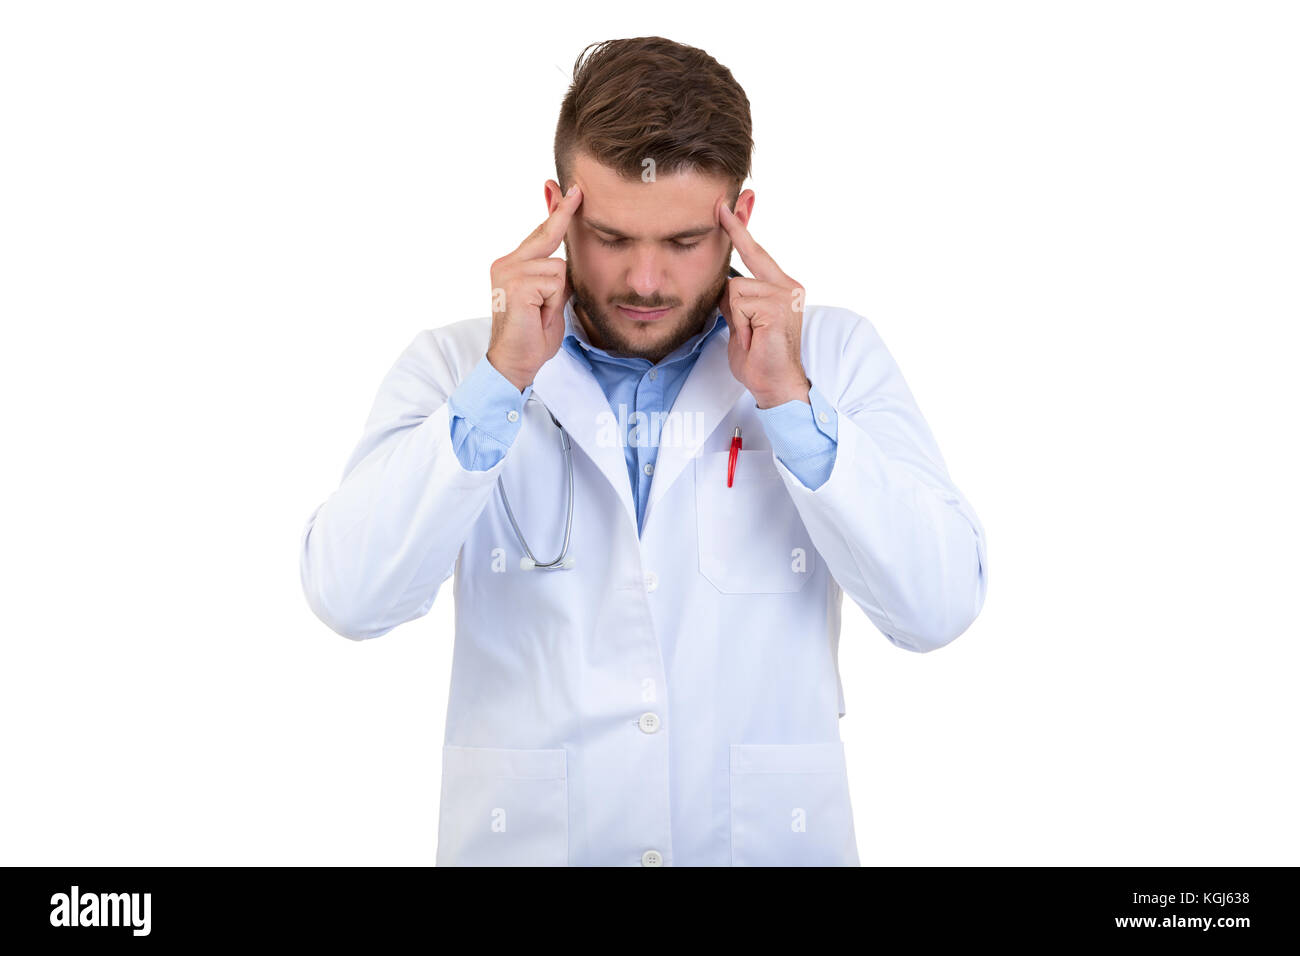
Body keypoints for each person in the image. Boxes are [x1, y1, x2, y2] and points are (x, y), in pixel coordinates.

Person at [299, 35, 987, 866]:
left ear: (741, 218)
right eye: (614, 239)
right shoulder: (456, 367)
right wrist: (499, 381)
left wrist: (790, 402)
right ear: (557, 206)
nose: (648, 283)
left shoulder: (830, 357)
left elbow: (938, 605)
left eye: (685, 243)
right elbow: (349, 595)